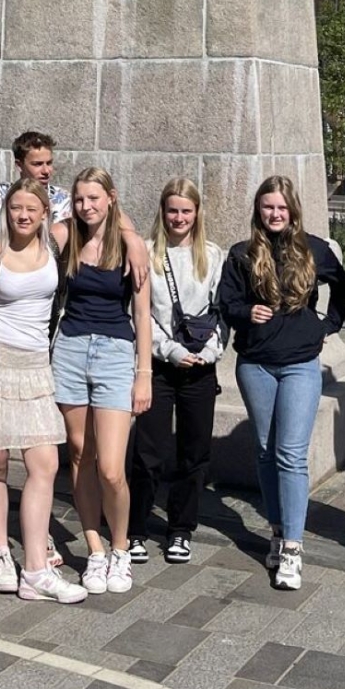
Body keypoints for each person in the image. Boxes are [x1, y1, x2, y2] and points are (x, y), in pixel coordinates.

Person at [219, 176, 345, 593]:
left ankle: (293, 547)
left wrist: (326, 325)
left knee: (291, 455)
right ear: (258, 211)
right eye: (267, 207)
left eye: (281, 207)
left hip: (299, 364)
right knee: (265, 450)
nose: (274, 214)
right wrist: (247, 312)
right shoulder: (241, 254)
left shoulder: (316, 250)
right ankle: (277, 531)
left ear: (293, 209)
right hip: (255, 365)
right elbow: (226, 303)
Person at [0, 179, 84, 602]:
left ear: (43, 213)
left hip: (38, 366)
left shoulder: (55, 242)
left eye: (30, 208)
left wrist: (130, 243)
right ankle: (1, 550)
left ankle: (35, 568)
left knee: (44, 464)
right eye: (15, 207)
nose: (22, 214)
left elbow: (110, 216)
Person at [51, 168, 152, 596]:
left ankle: (120, 548)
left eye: (94, 198)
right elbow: (28, 224)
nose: (86, 207)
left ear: (111, 198)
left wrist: (143, 373)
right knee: (79, 454)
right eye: (79, 199)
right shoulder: (64, 236)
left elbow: (143, 315)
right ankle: (94, 548)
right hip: (70, 350)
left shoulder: (130, 244)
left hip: (114, 353)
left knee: (112, 468)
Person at [128, 179, 226, 566]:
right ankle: (136, 528)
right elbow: (139, 315)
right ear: (162, 212)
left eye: (186, 211)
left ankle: (181, 528)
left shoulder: (213, 256)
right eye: (173, 210)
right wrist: (169, 350)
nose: (179, 218)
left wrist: (212, 351)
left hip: (201, 367)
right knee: (148, 451)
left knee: (194, 453)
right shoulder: (148, 253)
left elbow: (223, 310)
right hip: (160, 366)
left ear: (197, 213)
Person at [0, 130, 71, 236]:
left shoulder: (63, 198)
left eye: (49, 163)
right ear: (19, 165)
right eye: (37, 164)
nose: (46, 171)